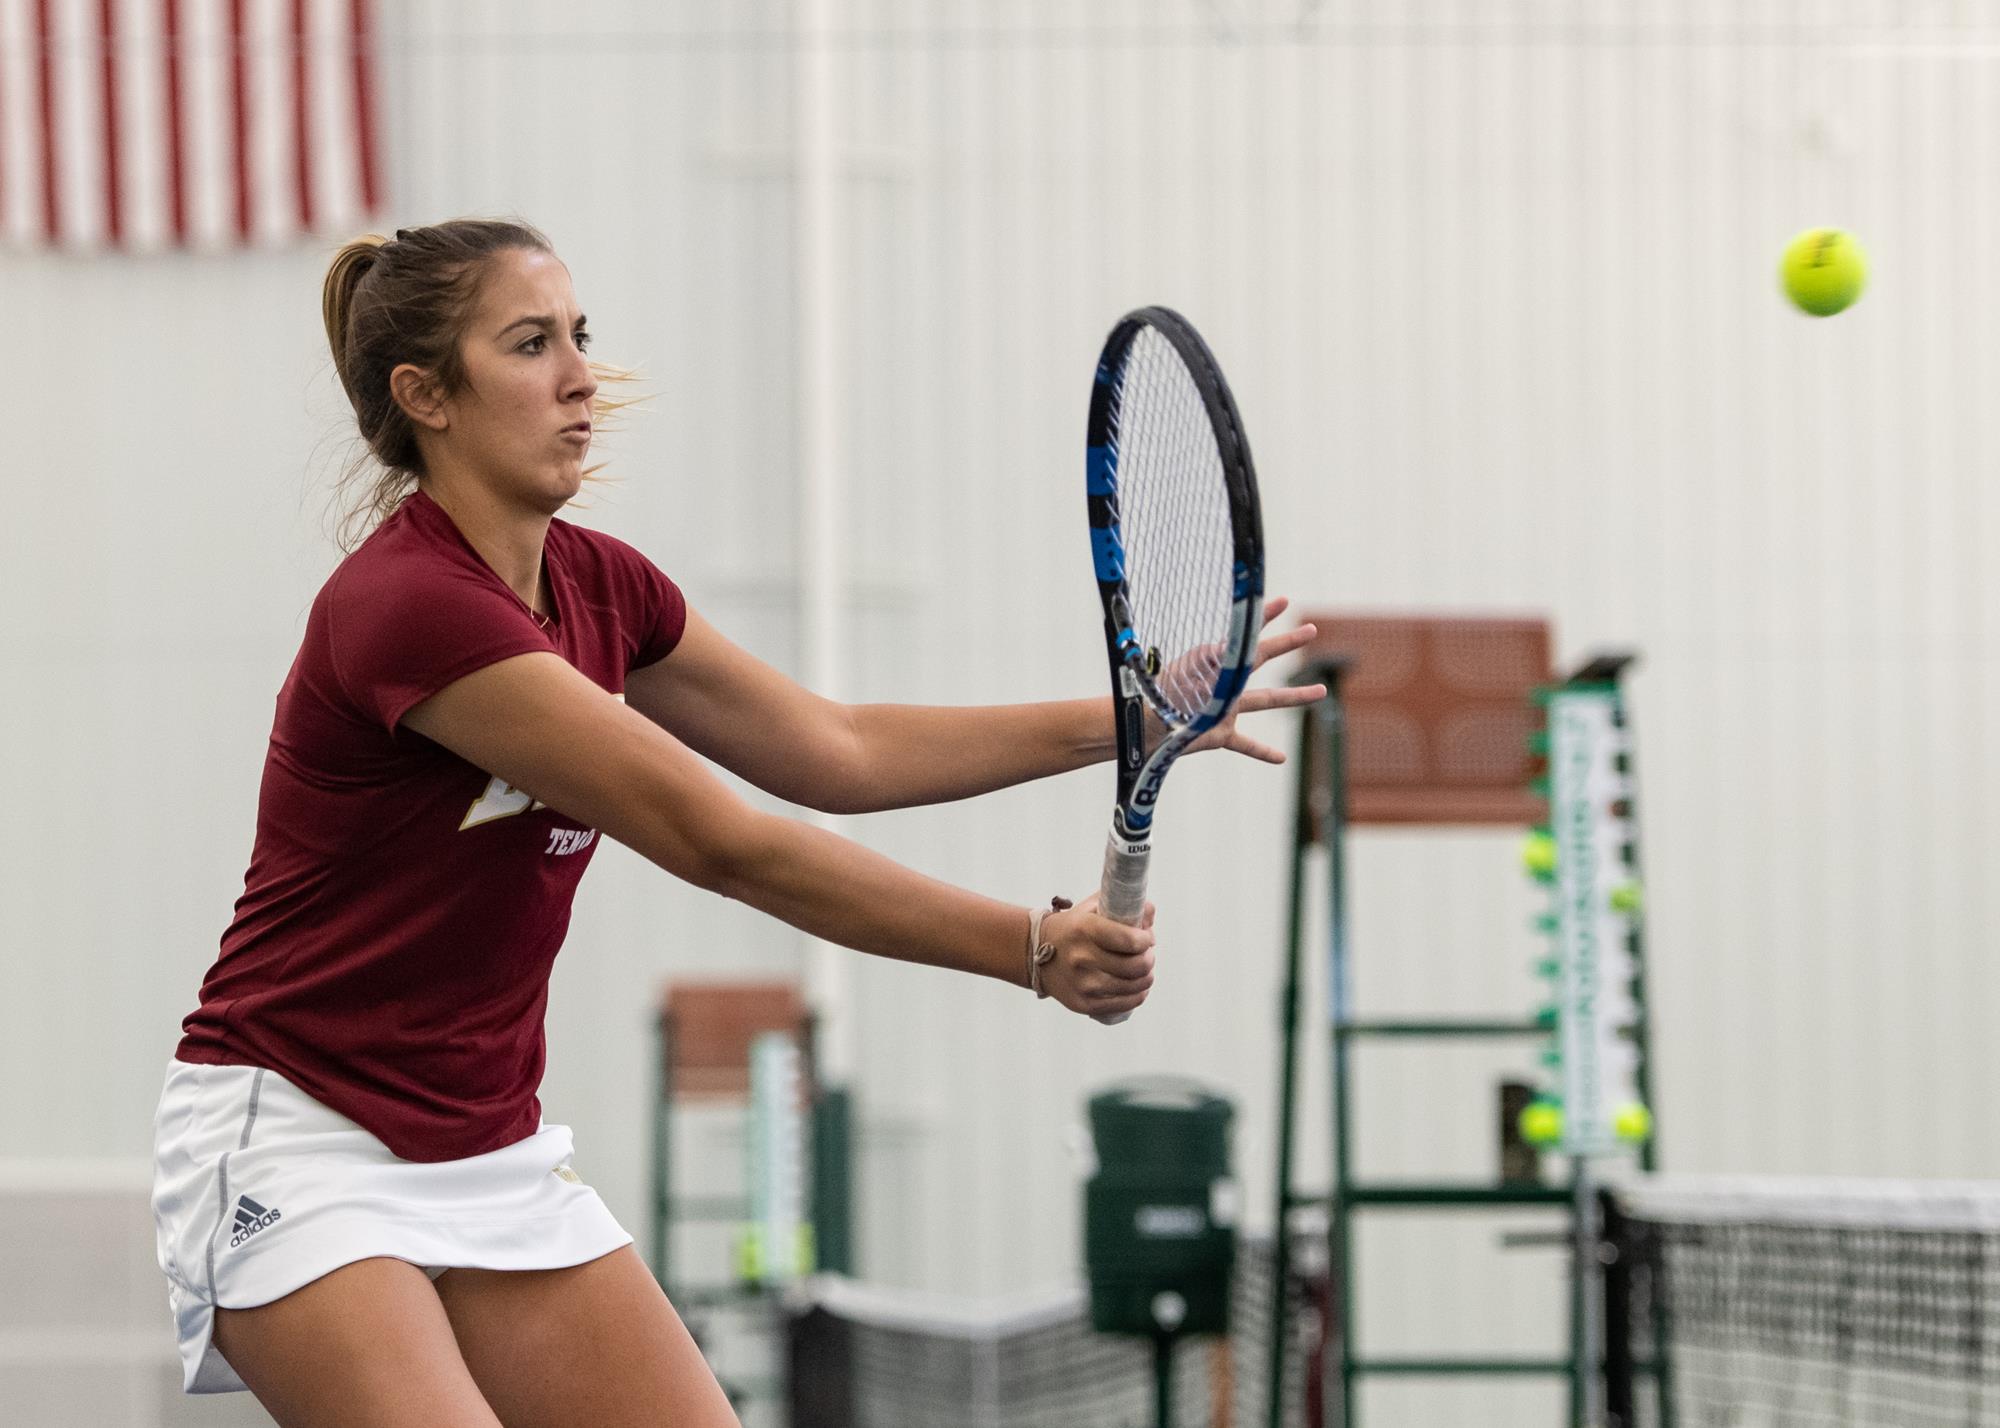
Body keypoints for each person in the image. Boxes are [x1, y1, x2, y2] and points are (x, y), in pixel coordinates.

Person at [149, 217, 1323, 1427]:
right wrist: (1030, 947)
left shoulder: (605, 588)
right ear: (425, 396)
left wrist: (1125, 715)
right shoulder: (406, 608)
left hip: (484, 1153)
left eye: (580, 337)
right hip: (295, 1135)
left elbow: (836, 749)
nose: (577, 376)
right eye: (529, 343)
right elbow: (724, 843)